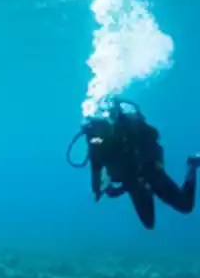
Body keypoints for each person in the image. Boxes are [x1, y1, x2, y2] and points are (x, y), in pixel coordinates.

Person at [70, 97, 200, 229]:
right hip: (133, 184)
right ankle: (148, 191)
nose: (100, 133)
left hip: (152, 173)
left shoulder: (127, 125)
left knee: (185, 206)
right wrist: (99, 190)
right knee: (149, 223)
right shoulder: (96, 144)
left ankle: (192, 164)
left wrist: (156, 161)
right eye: (95, 131)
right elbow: (96, 169)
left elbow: (153, 138)